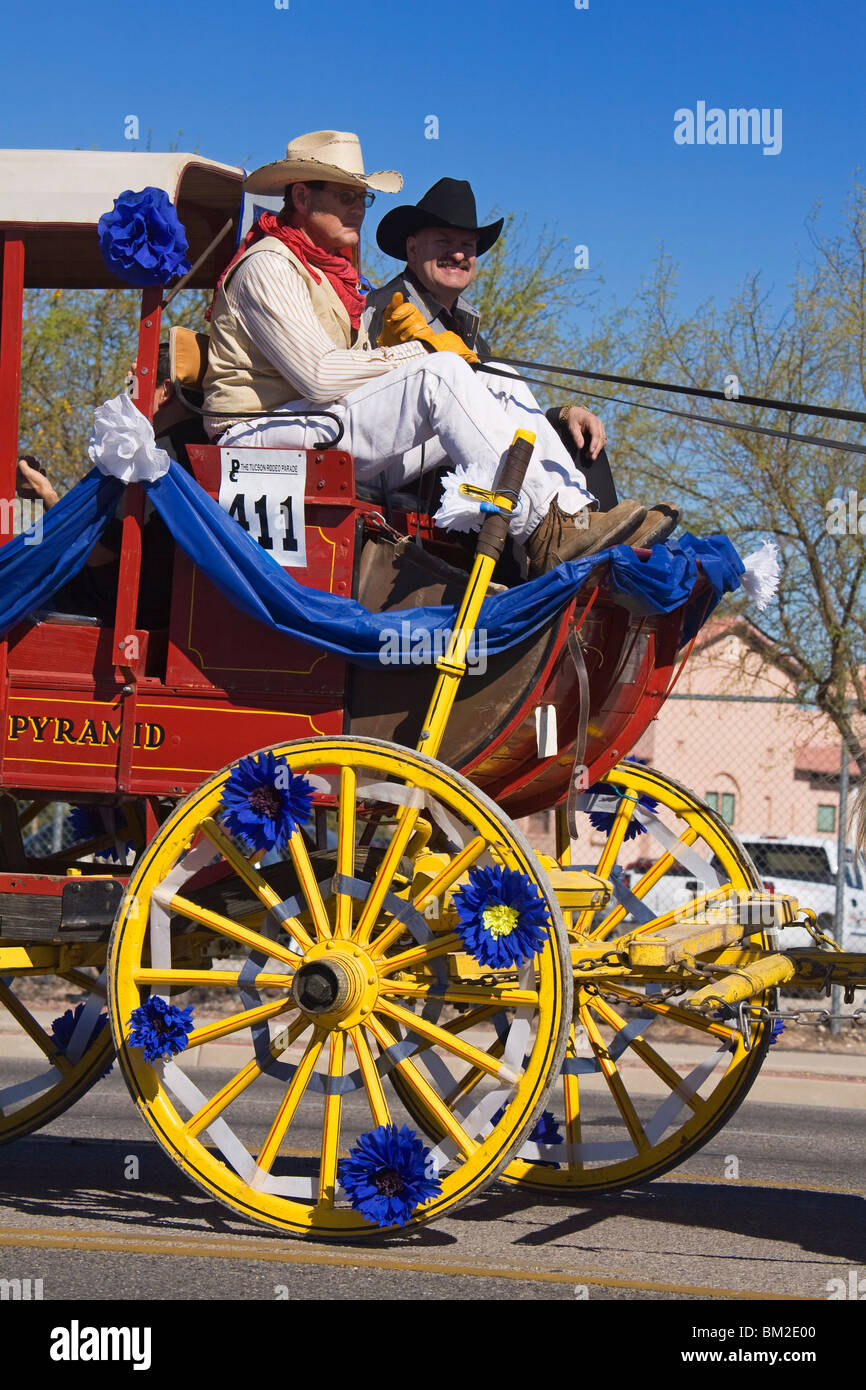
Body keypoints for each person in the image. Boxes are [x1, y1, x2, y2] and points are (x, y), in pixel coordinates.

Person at [202, 130, 650, 576]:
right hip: (257, 439)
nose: (357, 208)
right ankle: (544, 535)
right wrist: (417, 352)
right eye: (345, 196)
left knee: (495, 378)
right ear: (300, 195)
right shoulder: (268, 265)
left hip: (317, 426)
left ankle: (577, 518)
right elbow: (319, 378)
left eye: (363, 198)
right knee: (442, 373)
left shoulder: (332, 276)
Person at [366, 178, 678, 545]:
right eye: (445, 242)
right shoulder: (385, 308)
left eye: (468, 245)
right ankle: (562, 533)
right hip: (397, 457)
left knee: (576, 434)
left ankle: (589, 525)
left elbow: (490, 413)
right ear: (412, 248)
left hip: (448, 452)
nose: (459, 254)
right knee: (506, 384)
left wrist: (561, 415)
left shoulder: (470, 330)